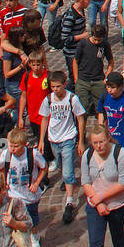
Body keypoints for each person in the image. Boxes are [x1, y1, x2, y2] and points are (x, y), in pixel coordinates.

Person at [0, 127, 45, 247]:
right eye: (10, 145)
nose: (12, 149)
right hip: (14, 197)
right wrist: (4, 184)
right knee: (18, 233)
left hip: (30, 197)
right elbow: (1, 169)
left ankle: (35, 233)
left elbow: (44, 168)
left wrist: (36, 183)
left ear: (24, 144)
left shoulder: (33, 155)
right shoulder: (6, 155)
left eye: (16, 146)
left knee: (33, 220)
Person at [38, 71, 87, 224]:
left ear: (65, 84)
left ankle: (70, 202)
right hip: (54, 139)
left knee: (67, 170)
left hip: (68, 138)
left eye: (58, 86)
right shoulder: (48, 100)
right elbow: (44, 119)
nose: (55, 90)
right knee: (59, 164)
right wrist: (41, 140)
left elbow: (80, 118)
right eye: (52, 87)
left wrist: (80, 140)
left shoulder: (72, 99)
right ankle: (67, 179)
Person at [97, 71, 124, 159]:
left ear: (120, 87)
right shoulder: (104, 97)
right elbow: (101, 114)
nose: (109, 90)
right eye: (108, 86)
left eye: (113, 87)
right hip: (110, 142)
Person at [73, 23, 113, 112]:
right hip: (83, 80)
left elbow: (111, 62)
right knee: (82, 110)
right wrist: (76, 79)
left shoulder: (105, 45)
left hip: (98, 80)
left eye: (99, 40)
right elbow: (75, 61)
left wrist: (106, 77)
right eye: (95, 40)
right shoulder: (83, 44)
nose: (97, 42)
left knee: (101, 109)